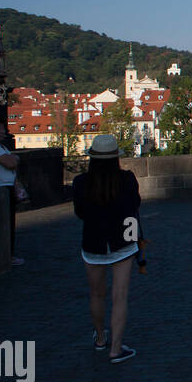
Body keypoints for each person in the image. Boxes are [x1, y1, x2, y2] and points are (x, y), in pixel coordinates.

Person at [73, 134, 141, 364]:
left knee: (96, 294)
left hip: (93, 242)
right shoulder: (127, 179)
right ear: (116, 158)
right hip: (123, 240)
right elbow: (135, 205)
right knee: (119, 296)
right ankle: (116, 348)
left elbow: (80, 213)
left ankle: (101, 338)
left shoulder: (81, 182)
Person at [0, 117, 24, 266]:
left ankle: (8, 254)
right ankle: (7, 256)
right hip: (2, 187)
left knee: (8, 223)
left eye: (3, 129)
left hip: (7, 186)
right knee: (6, 223)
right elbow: (11, 162)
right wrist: (14, 158)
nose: (2, 132)